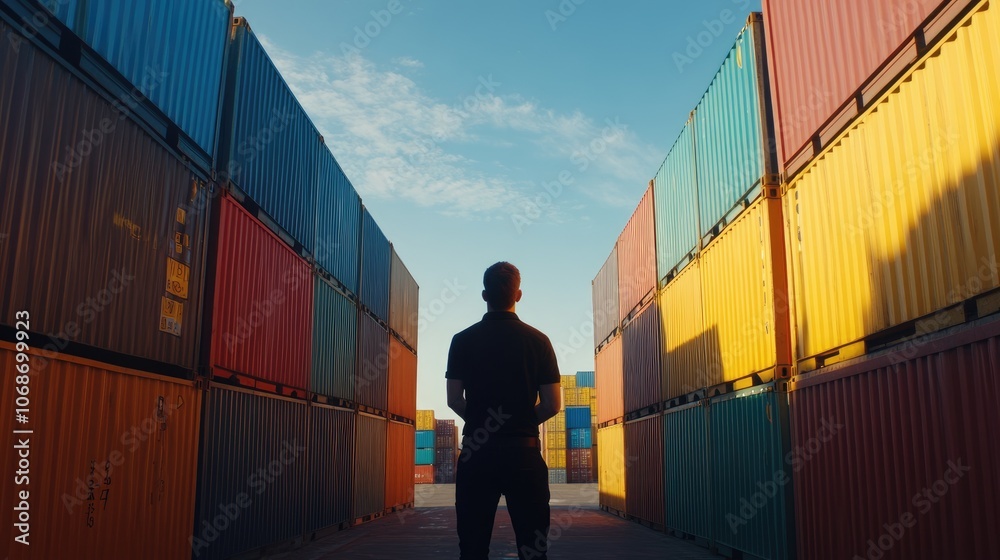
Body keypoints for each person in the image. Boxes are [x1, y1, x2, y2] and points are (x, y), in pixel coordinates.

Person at [446, 261, 562, 560]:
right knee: (533, 549)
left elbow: (454, 399)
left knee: (472, 550)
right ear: (518, 295)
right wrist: (522, 421)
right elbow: (552, 404)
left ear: (484, 295)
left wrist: (482, 423)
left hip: (477, 454)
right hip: (524, 454)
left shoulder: (462, 340)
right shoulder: (539, 341)